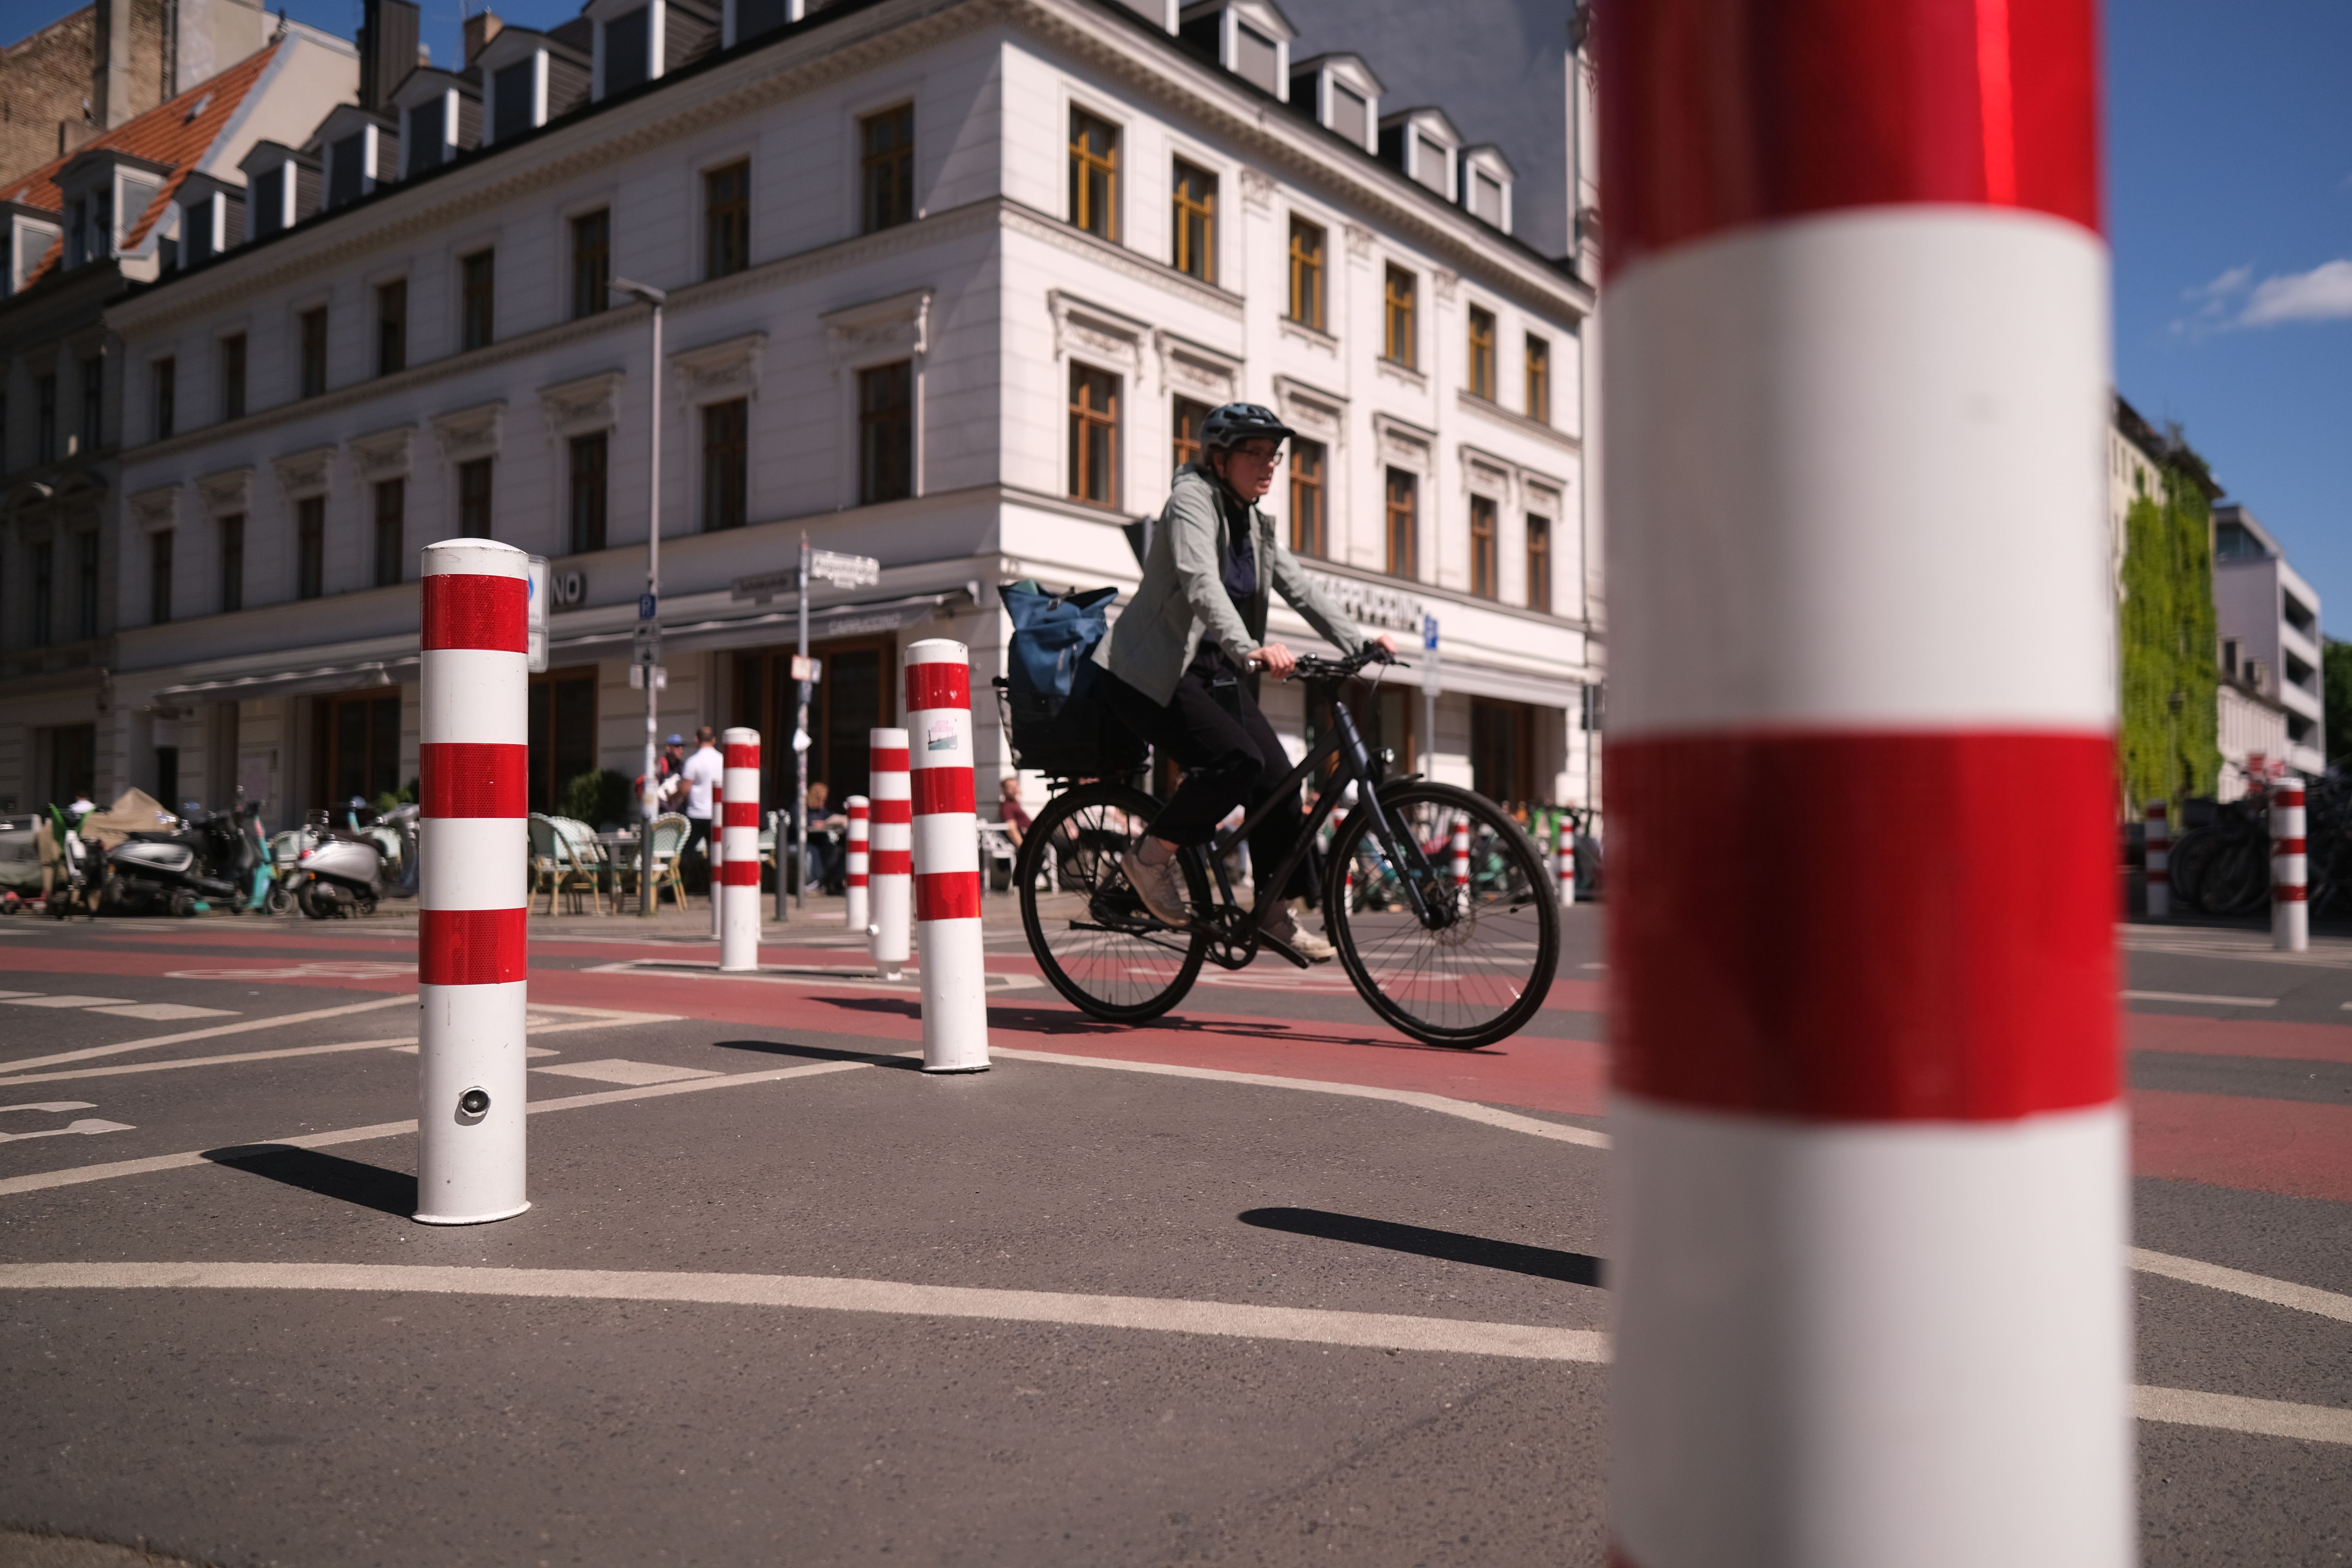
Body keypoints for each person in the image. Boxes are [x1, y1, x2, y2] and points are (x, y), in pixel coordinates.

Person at [1091, 402, 1395, 963]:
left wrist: (1358, 644)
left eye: (1273, 456)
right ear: (1219, 457)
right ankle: (1149, 859)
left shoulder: (1252, 521)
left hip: (1213, 673)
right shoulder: (1191, 502)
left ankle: (1273, 914)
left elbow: (1300, 588)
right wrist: (1248, 647)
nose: (1269, 466)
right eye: (1255, 454)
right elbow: (1199, 581)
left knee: (1281, 784)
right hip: (1151, 675)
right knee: (1236, 762)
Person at [679, 727, 723, 877]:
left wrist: (673, 796)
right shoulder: (723, 760)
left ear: (697, 740)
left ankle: (677, 891)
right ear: (714, 740)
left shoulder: (693, 762)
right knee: (717, 854)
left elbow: (685, 790)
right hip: (717, 814)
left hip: (696, 814)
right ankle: (716, 889)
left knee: (687, 852)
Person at [998, 776, 1033, 847]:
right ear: (1003, 790)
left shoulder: (1015, 804)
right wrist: (1023, 849)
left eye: (1016, 786)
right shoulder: (1007, 807)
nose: (1015, 789)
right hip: (1032, 840)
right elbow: (1011, 829)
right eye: (1011, 787)